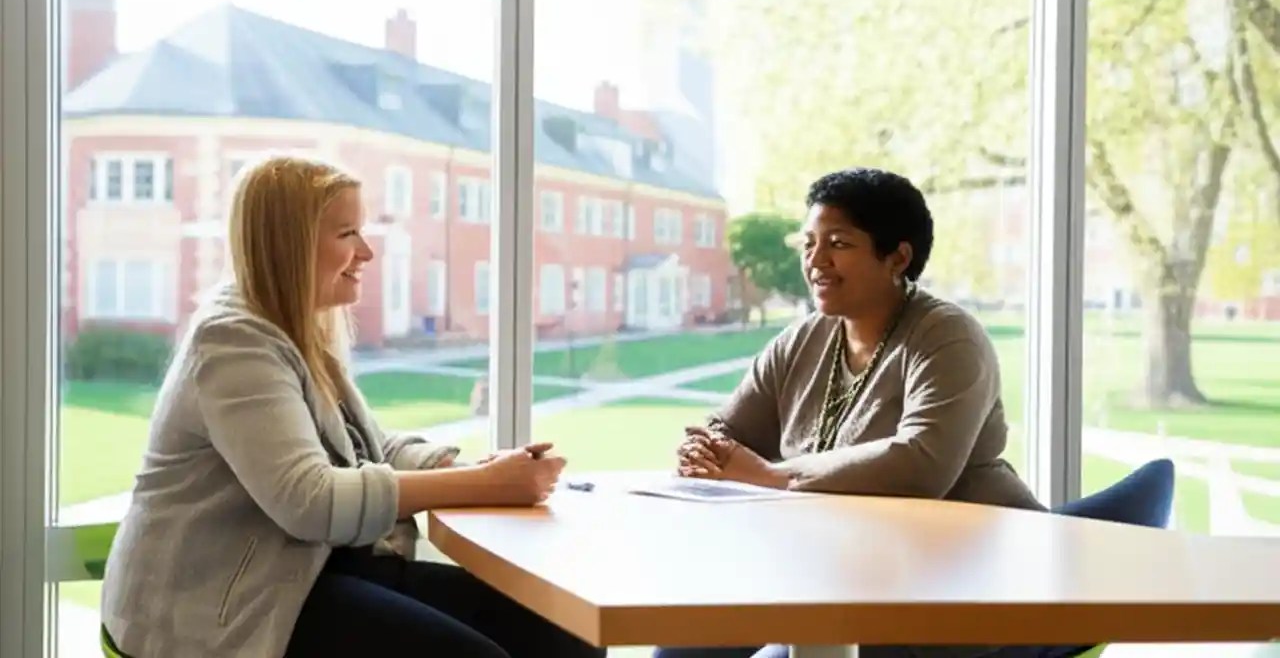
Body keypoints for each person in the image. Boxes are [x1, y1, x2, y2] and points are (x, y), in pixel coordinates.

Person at [100, 156, 604, 658]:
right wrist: (485, 486)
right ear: (289, 244)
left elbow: (364, 448)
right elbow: (311, 501)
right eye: (347, 234)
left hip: (299, 576)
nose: (366, 252)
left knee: (567, 637)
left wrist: (466, 469)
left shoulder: (296, 327)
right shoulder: (232, 343)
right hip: (213, 611)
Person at [656, 168, 1088, 658]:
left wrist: (772, 477)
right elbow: (726, 433)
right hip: (834, 573)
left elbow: (922, 463)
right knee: (684, 646)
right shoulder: (803, 339)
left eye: (838, 243)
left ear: (897, 257)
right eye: (809, 244)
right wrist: (704, 452)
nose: (816, 261)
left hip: (962, 591)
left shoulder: (947, 337)